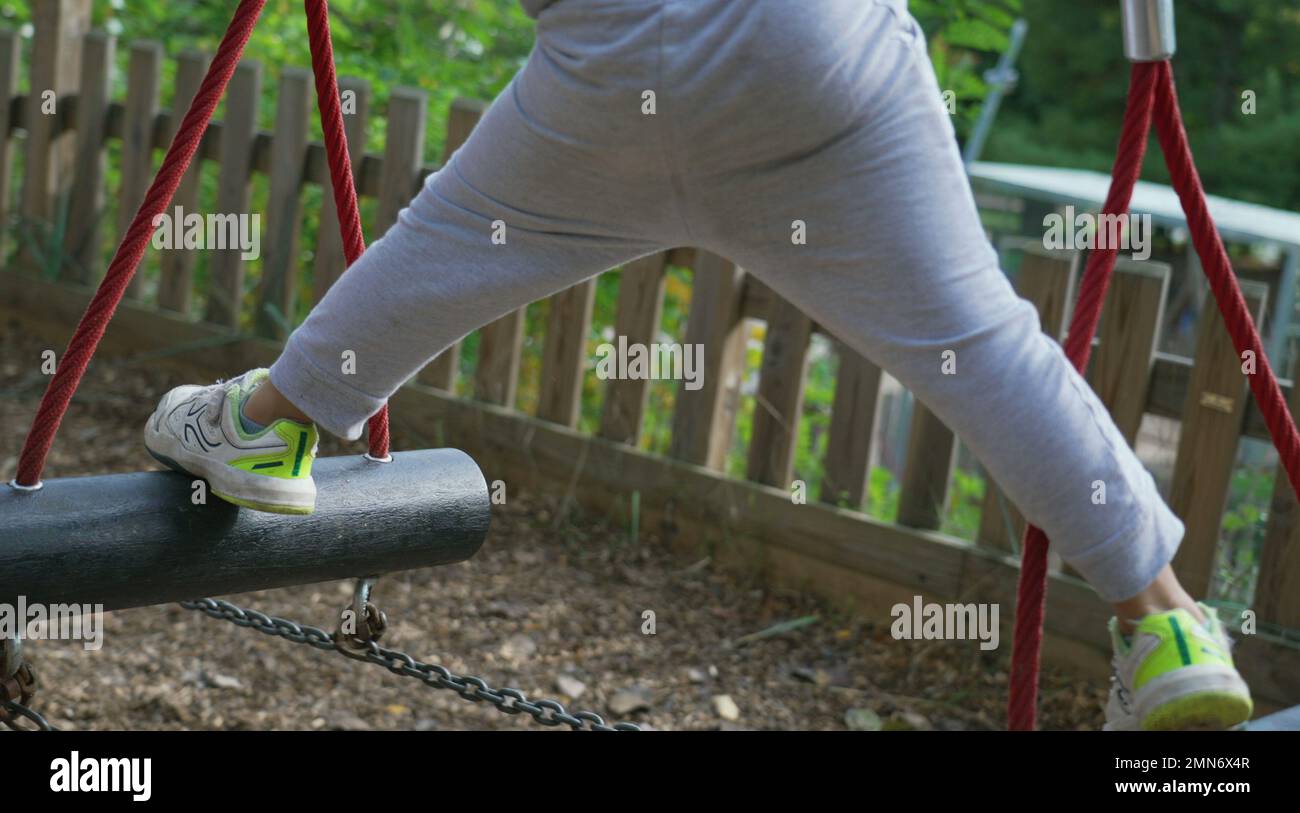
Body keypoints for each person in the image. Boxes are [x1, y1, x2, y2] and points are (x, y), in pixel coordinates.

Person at [143, 0, 1252, 730]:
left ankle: (267, 424)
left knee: (449, 238)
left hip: (609, 63)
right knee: (980, 342)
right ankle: (1158, 622)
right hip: (814, 55)